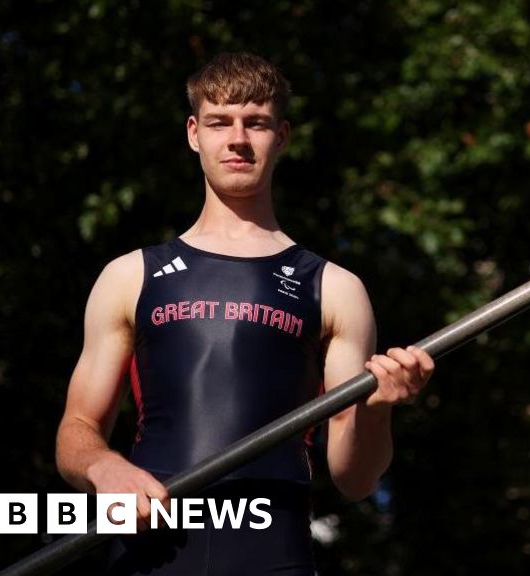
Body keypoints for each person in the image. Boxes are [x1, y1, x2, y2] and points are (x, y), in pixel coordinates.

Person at [54, 52, 434, 575]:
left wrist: (377, 409)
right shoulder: (130, 276)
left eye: (255, 123)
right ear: (194, 134)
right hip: (149, 555)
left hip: (273, 555)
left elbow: (355, 479)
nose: (237, 139)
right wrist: (103, 467)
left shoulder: (334, 288)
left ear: (282, 136)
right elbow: (76, 428)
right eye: (219, 122)